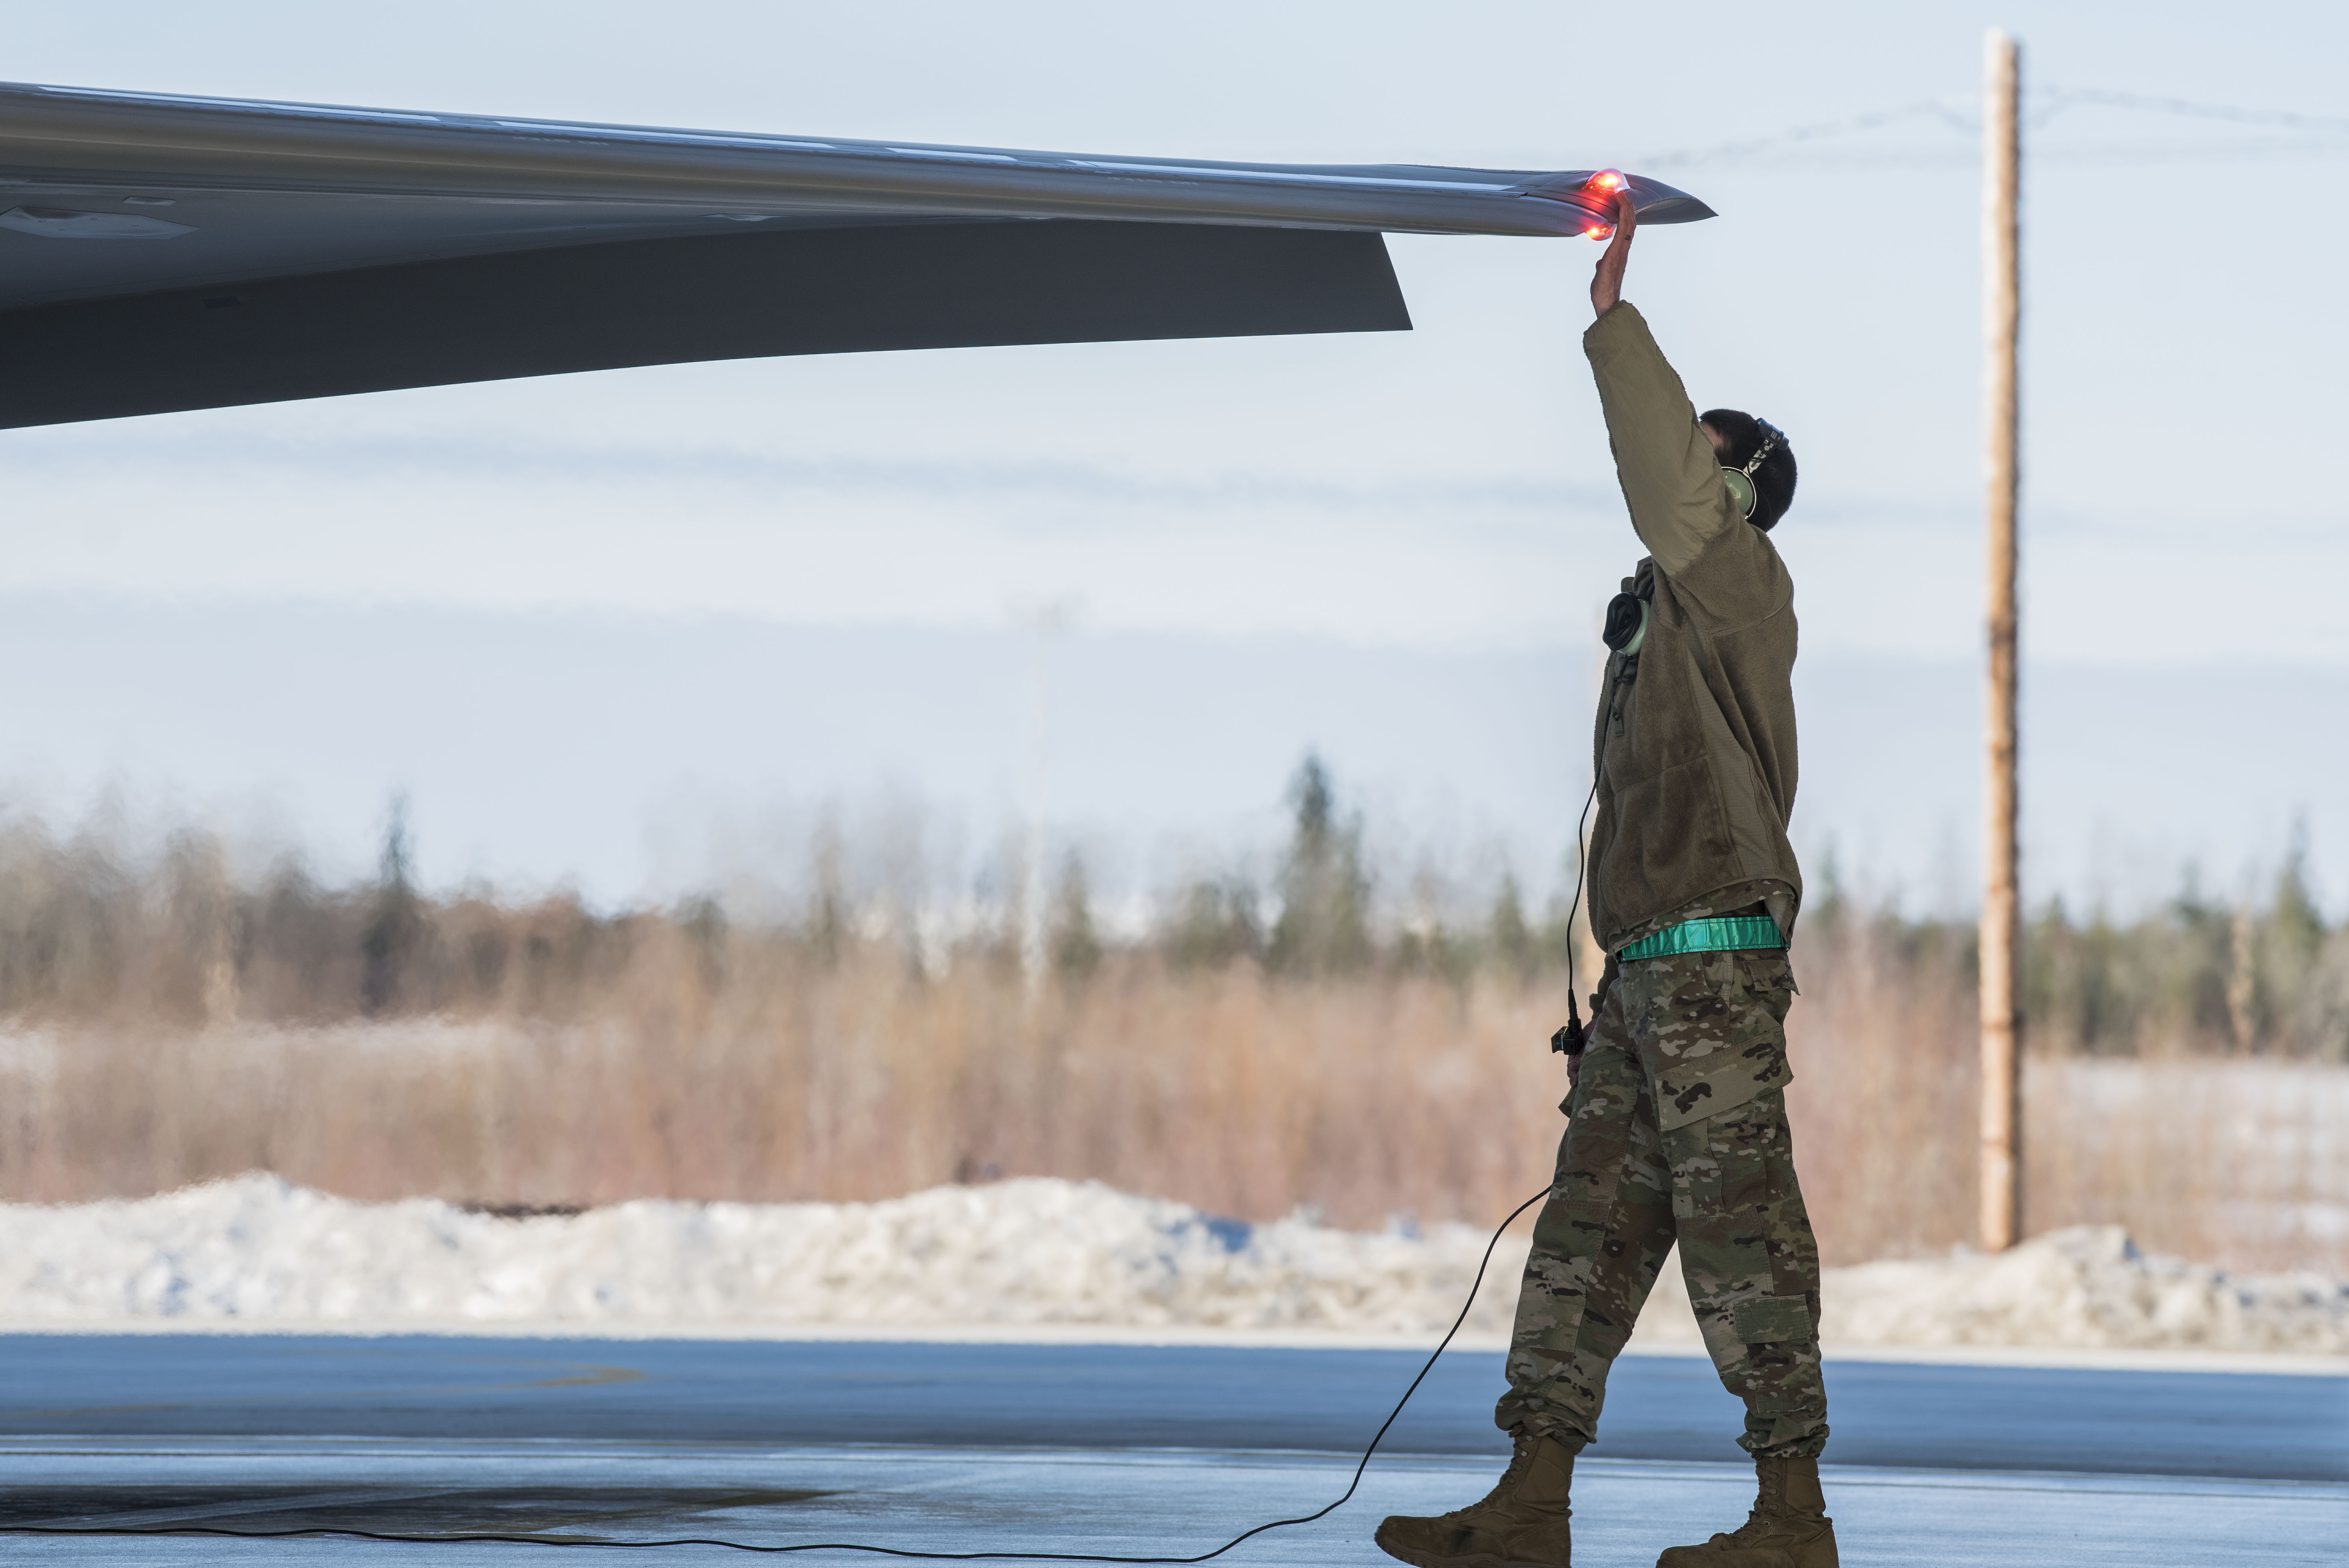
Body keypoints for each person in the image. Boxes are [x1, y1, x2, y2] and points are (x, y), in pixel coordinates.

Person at [1375, 189, 1834, 1568]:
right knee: (1584, 1235)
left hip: (1713, 966)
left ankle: (1791, 1517)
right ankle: (1530, 1503)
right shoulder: (1665, 631)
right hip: (1649, 973)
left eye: (1705, 466)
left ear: (1738, 496)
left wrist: (1613, 323)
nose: (1674, 484)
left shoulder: (1740, 583)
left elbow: (1669, 480)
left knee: (1739, 1234)